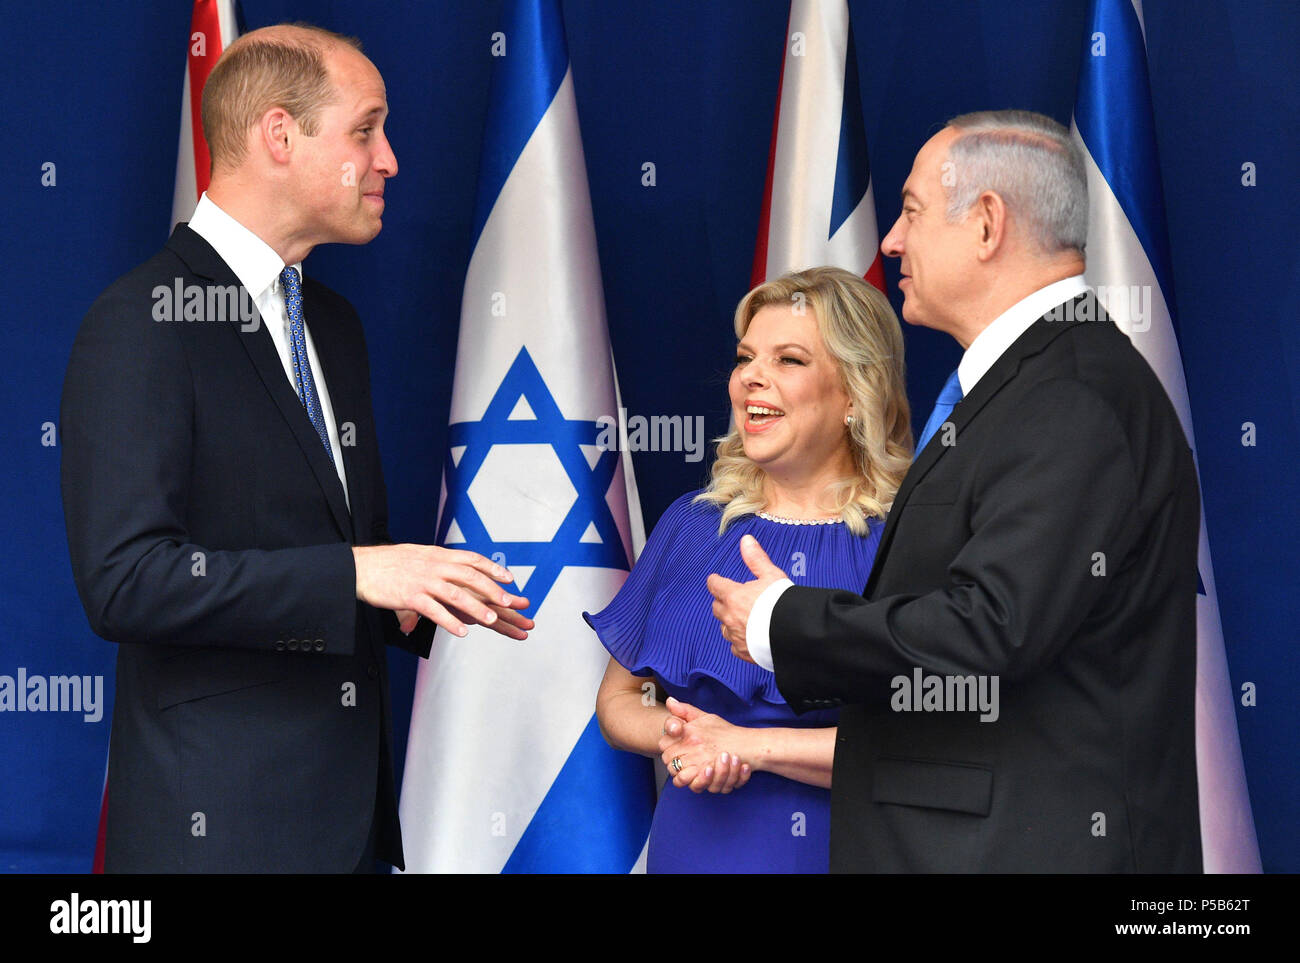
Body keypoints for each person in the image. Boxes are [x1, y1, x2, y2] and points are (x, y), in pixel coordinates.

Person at [60, 24, 532, 873]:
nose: (389, 160)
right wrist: (359, 573)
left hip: (346, 831)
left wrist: (424, 593)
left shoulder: (334, 326)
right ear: (279, 135)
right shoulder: (141, 322)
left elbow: (330, 562)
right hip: (215, 837)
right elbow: (125, 581)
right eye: (366, 130)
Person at [709, 110, 1203, 872]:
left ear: (986, 225)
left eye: (909, 210)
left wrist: (786, 621)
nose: (891, 241)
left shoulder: (1072, 398)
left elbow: (990, 630)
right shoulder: (1026, 388)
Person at [588, 266, 911, 873]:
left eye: (788, 359)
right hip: (697, 846)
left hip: (843, 851)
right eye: (745, 358)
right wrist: (684, 740)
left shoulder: (907, 540)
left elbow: (923, 747)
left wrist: (749, 747)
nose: (751, 378)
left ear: (853, 394)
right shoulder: (691, 524)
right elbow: (618, 700)